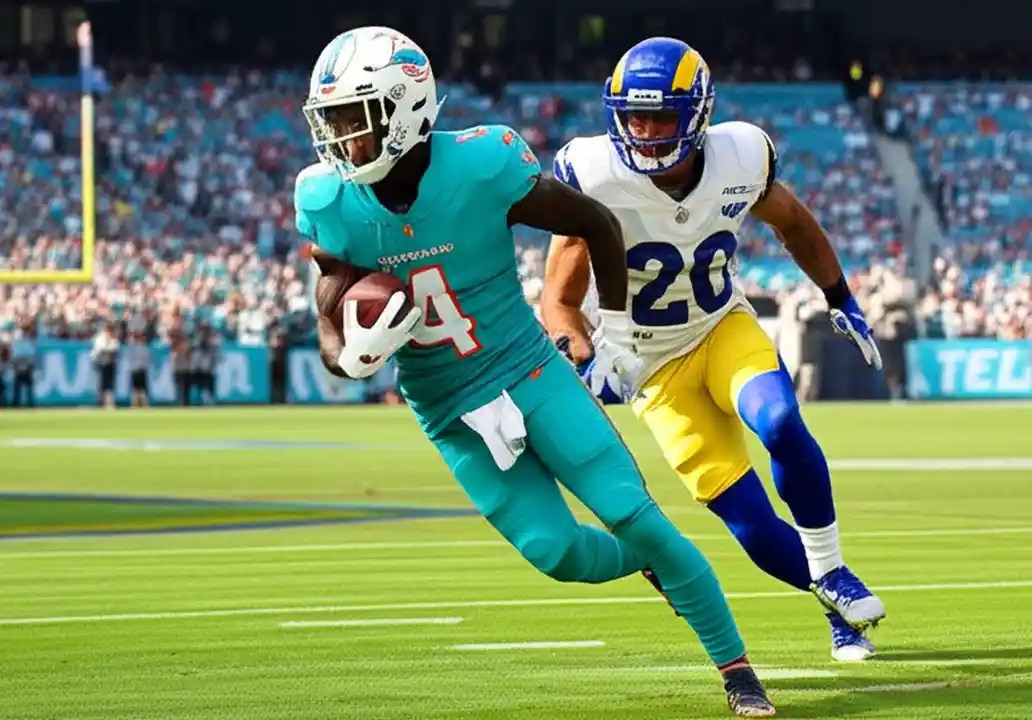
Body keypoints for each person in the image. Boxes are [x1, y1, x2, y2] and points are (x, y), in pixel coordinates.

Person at [295, 26, 773, 716]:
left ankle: (737, 671)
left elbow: (598, 224)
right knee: (555, 551)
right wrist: (347, 356)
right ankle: (654, 564)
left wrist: (615, 331)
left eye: (354, 118)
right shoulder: (327, 198)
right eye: (333, 121)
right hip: (447, 406)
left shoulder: (481, 164)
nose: (342, 139)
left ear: (404, 107)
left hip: (527, 368)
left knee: (632, 513)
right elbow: (329, 311)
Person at [541, 36, 885, 663]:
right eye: (633, 117)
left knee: (779, 421)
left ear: (697, 114)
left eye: (660, 118)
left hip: (721, 326)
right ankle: (833, 603)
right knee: (752, 526)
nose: (644, 132)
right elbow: (559, 302)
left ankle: (833, 568)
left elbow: (795, 224)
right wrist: (588, 358)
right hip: (651, 367)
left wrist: (841, 297)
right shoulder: (593, 173)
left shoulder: (740, 155)